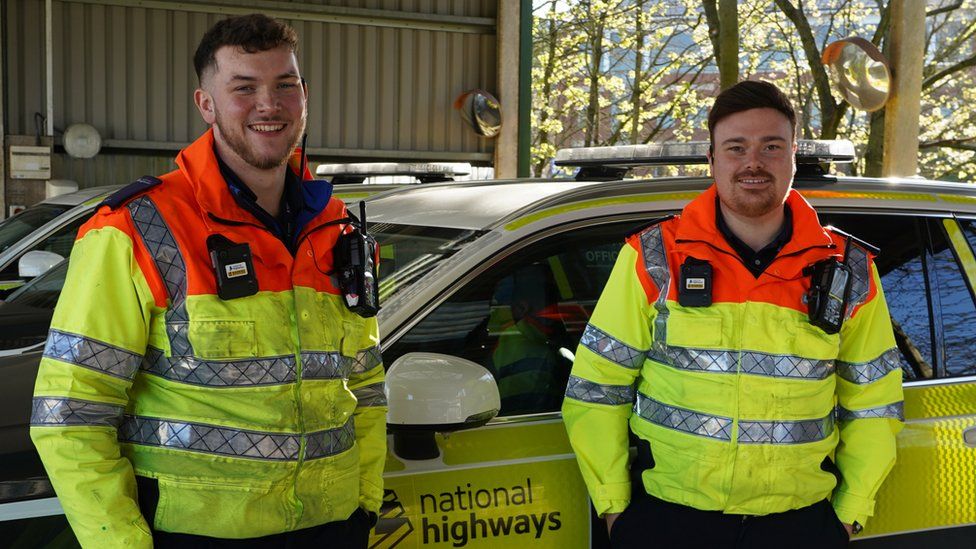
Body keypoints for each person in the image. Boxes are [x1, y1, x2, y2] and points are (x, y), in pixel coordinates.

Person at [29, 14, 386, 548]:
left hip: (333, 528)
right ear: (206, 104)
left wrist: (365, 503)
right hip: (191, 535)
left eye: (285, 85)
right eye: (244, 88)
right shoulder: (134, 228)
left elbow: (365, 383)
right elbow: (71, 412)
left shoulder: (335, 228)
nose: (269, 105)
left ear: (304, 96)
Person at [562, 80, 903, 548]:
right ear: (712, 158)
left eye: (771, 147)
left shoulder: (849, 267)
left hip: (800, 526)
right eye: (736, 147)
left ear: (792, 155)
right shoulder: (654, 255)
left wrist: (847, 514)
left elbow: (874, 402)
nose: (753, 163)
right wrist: (615, 507)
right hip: (668, 522)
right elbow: (597, 385)